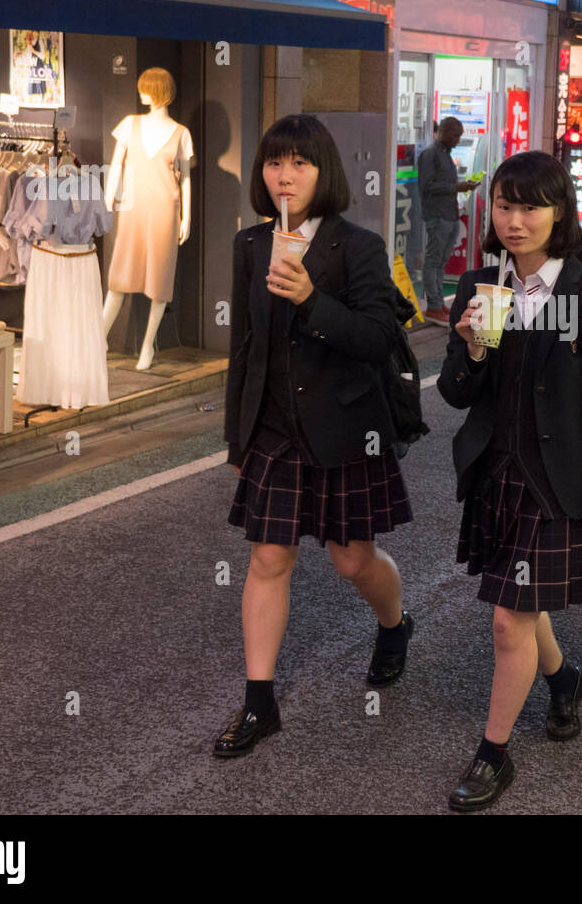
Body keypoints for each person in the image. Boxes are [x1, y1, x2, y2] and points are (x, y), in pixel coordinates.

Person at [438, 150, 582, 810]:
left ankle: (493, 755)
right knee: (521, 607)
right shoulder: (480, 286)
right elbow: (453, 392)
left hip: (558, 487)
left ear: (560, 213)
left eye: (530, 206)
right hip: (496, 476)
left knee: (507, 620)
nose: (514, 219)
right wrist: (472, 349)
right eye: (503, 204)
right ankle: (563, 681)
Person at [217, 114, 414, 758]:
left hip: (344, 428)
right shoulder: (250, 245)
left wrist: (309, 299)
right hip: (274, 430)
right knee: (269, 558)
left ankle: (394, 624)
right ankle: (259, 703)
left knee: (351, 560)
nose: (285, 175)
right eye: (276, 162)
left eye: (300, 162)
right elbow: (244, 349)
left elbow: (377, 337)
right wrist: (236, 438)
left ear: (323, 171)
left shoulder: (356, 245)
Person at [418, 116, 478, 324]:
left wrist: (461, 185)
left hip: (450, 215)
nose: (457, 140)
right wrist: (456, 187)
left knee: (441, 262)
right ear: (442, 131)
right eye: (455, 135)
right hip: (438, 215)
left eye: (460, 136)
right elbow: (426, 186)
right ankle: (433, 306)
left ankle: (438, 302)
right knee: (434, 261)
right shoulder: (430, 155)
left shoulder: (445, 155)